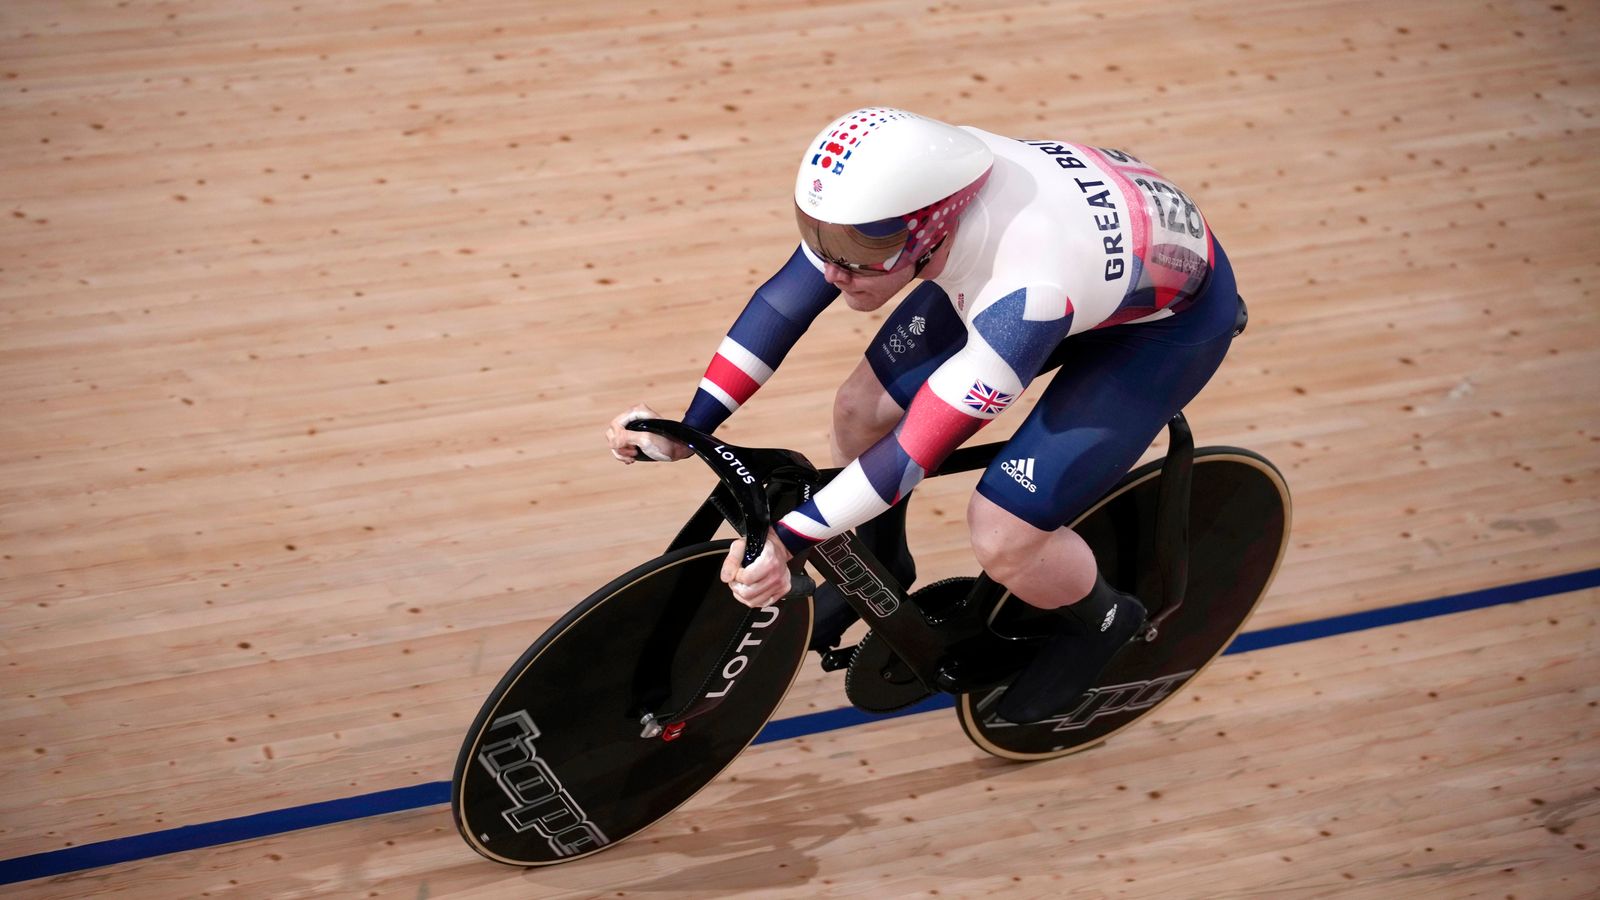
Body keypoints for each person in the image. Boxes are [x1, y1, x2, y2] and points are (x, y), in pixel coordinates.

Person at [605, 107, 1240, 724]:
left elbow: (912, 454)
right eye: (822, 238)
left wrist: (789, 539)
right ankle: (885, 567)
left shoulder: (1025, 293)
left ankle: (1105, 619)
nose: (832, 269)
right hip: (1087, 264)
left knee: (1003, 533)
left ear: (932, 230)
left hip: (1158, 332)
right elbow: (781, 306)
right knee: (860, 409)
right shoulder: (886, 209)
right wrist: (690, 427)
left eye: (855, 255)